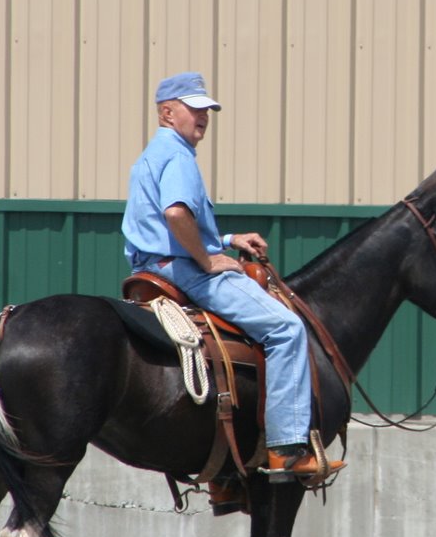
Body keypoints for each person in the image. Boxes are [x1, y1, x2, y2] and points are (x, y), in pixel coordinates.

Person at [122, 71, 342, 480]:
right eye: (194, 108)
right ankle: (286, 450)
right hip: (186, 271)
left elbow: (164, 222)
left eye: (206, 109)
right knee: (286, 329)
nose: (203, 116)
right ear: (168, 113)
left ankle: (227, 476)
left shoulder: (151, 156)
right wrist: (208, 261)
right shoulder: (178, 156)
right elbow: (175, 214)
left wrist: (226, 238)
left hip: (150, 267)